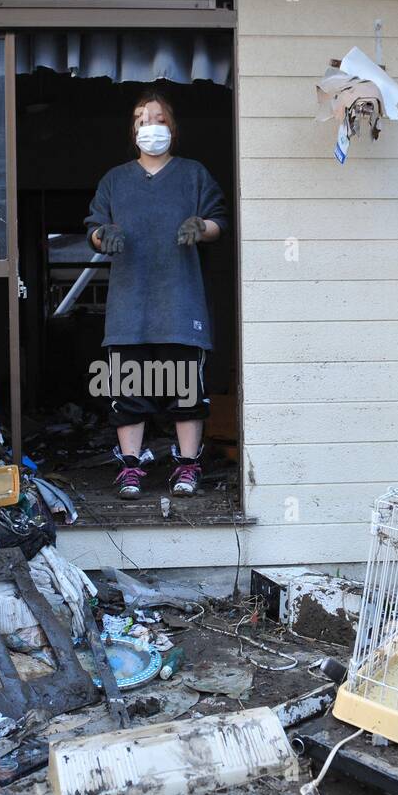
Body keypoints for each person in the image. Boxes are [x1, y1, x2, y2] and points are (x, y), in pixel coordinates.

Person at [85, 91, 228, 500]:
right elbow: (94, 227)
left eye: (158, 118)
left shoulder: (193, 174)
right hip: (128, 309)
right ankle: (131, 468)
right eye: (141, 118)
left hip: (181, 306)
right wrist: (102, 235)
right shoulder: (115, 180)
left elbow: (220, 221)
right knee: (128, 393)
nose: (150, 125)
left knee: (185, 392)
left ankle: (187, 467)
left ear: (172, 128)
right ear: (133, 130)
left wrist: (201, 227)